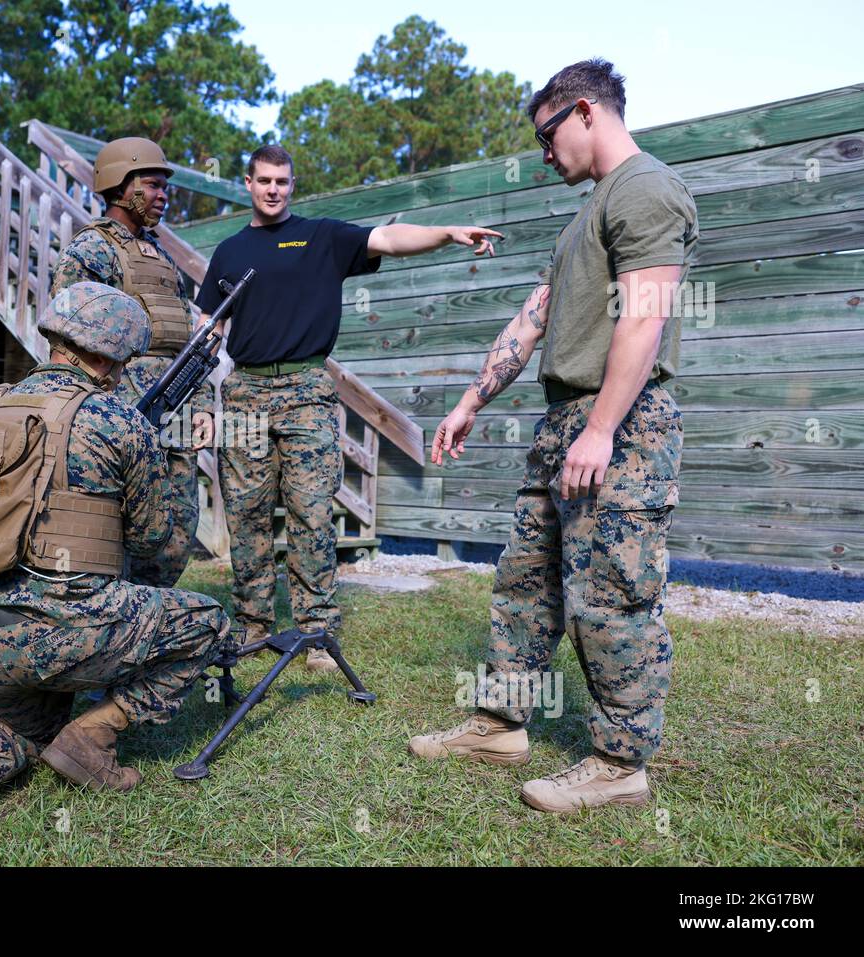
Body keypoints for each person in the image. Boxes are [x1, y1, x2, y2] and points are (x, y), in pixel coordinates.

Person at [408, 59, 698, 813]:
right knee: (526, 580)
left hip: (620, 423)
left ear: (583, 111)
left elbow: (646, 314)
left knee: (610, 595)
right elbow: (536, 314)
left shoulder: (647, 188)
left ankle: (618, 764)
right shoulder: (590, 211)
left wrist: (602, 428)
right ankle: (500, 722)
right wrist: (473, 397)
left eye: (546, 136)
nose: (543, 154)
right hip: (562, 420)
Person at [0, 282, 231, 836]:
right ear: (104, 356)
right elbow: (154, 540)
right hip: (61, 633)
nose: (125, 372)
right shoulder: (120, 421)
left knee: (31, 732)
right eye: (123, 361)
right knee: (206, 624)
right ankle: (94, 734)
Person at [195, 144, 501, 672]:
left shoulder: (322, 238)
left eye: (282, 182)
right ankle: (251, 625)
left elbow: (388, 237)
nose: (273, 189)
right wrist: (202, 401)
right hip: (244, 392)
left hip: (307, 393)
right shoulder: (228, 252)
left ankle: (317, 634)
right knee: (245, 517)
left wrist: (447, 233)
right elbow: (206, 332)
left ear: (292, 185)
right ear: (247, 183)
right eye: (264, 180)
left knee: (311, 514)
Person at [49, 137, 214, 588]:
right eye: (154, 185)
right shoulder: (91, 251)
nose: (164, 196)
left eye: (166, 187)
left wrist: (202, 404)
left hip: (173, 418)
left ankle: (150, 618)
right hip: (115, 418)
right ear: (120, 186)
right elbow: (66, 338)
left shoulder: (161, 257)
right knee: (110, 528)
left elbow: (186, 341)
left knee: (176, 531)